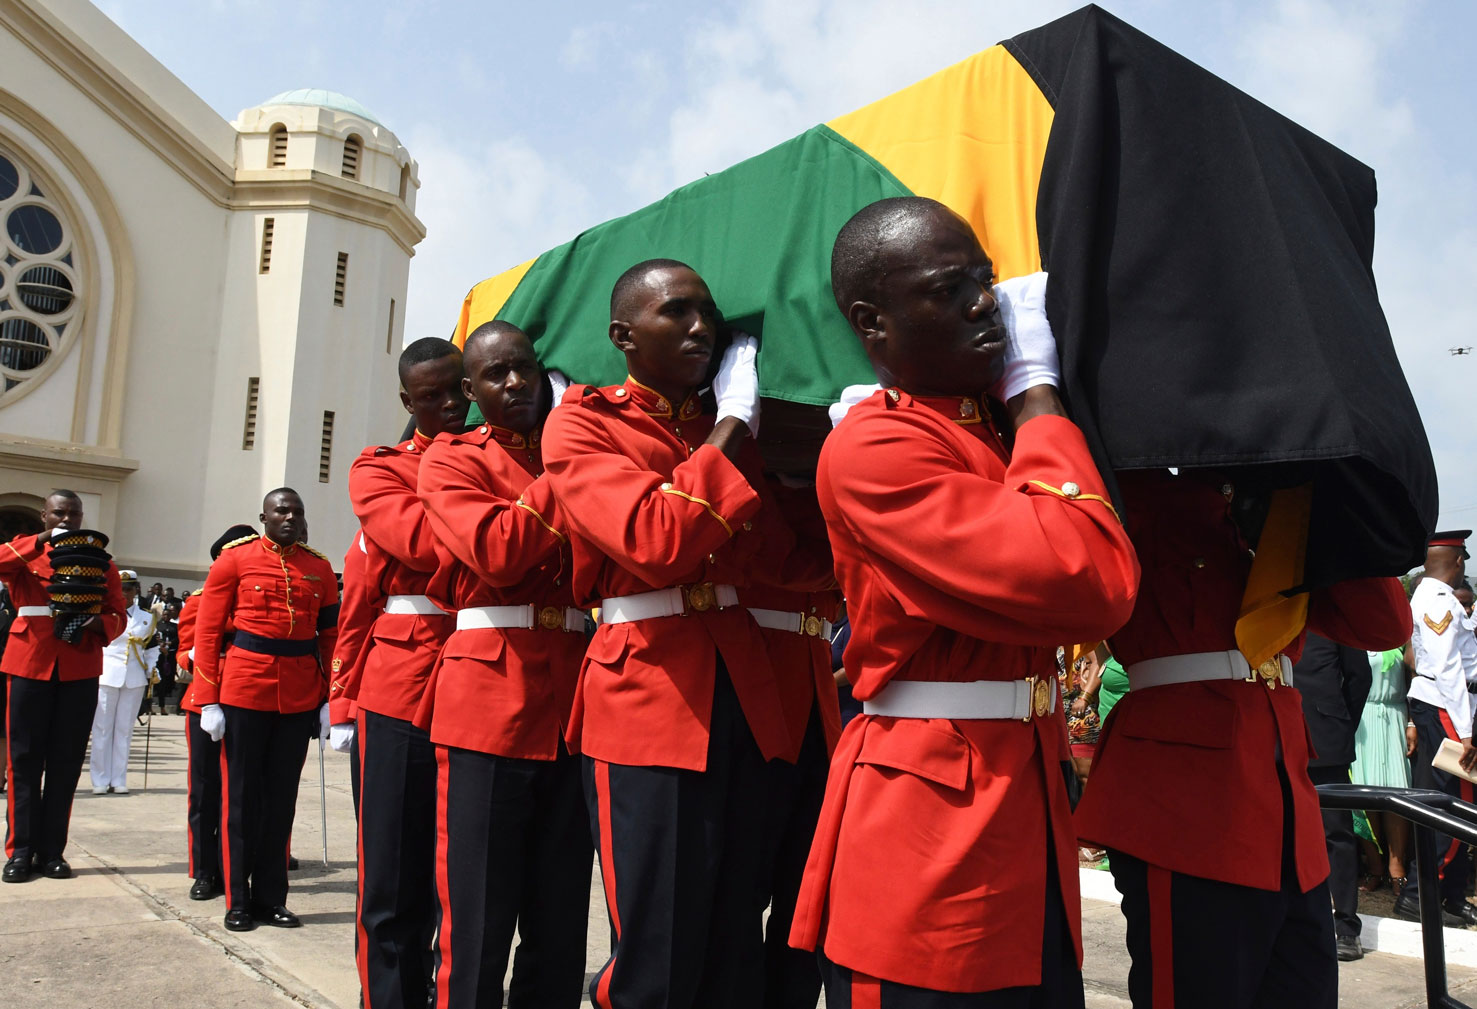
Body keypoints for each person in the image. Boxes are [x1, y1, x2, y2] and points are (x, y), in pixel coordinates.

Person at [788, 198, 1140, 1008]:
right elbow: (1090, 580)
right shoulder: (875, 446)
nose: (985, 301)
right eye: (949, 289)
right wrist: (1038, 398)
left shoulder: (990, 435)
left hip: (1025, 794)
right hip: (932, 825)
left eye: (984, 280)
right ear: (872, 323)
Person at [542, 259, 831, 1008]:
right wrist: (733, 427)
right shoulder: (583, 420)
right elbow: (653, 540)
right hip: (649, 698)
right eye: (676, 311)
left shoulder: (735, 433)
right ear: (623, 336)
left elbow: (792, 563)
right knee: (658, 950)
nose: (701, 326)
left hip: (746, 691)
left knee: (734, 937)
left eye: (708, 311)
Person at [1075, 463, 1411, 1009]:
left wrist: (1330, 493)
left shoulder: (1292, 506)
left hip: (1286, 816)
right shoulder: (1138, 493)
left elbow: (1382, 626)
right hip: (1186, 811)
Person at [417, 321, 592, 1009]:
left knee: (560, 920)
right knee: (479, 917)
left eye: (524, 367)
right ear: (469, 390)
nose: (516, 382)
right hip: (489, 699)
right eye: (496, 373)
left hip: (574, 696)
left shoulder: (572, 450)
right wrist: (568, 461)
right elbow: (498, 551)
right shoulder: (451, 458)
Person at [338, 336, 467, 1009]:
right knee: (392, 877)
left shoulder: (505, 457)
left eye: (457, 389)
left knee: (463, 883)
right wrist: (342, 698)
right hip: (402, 683)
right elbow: (408, 549)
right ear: (405, 401)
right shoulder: (381, 466)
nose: (449, 404)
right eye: (430, 396)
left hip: (487, 683)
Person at [191, 490, 339, 932]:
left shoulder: (320, 568)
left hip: (298, 694)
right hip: (244, 689)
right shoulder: (234, 561)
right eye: (282, 511)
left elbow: (330, 638)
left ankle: (272, 897)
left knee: (282, 801)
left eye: (297, 511)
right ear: (264, 517)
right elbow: (208, 631)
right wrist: (208, 698)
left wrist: (332, 697)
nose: (291, 518)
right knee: (240, 799)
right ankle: (238, 901)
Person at [1, 491, 127, 882]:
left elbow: (118, 614)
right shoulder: (27, 554)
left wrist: (92, 623)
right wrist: (40, 540)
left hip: (78, 666)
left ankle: (53, 851)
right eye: (59, 513)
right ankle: (19, 850)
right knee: (23, 762)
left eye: (73, 513)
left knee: (65, 764)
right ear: (44, 515)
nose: (66, 519)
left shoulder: (100, 562)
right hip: (30, 664)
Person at [1399, 531, 1477, 925]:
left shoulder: (1429, 596)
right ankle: (1420, 895)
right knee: (1453, 807)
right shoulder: (1439, 599)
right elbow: (1448, 670)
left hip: (1444, 704)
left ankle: (1450, 893)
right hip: (1447, 707)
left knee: (1456, 804)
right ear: (1459, 561)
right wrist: (1465, 732)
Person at [178, 523, 256, 901]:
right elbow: (183, 651)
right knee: (205, 790)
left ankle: (239, 865)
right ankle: (204, 869)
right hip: (204, 699)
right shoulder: (199, 598)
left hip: (247, 695)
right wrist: (193, 655)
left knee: (243, 790)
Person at [1294, 632, 1373, 960]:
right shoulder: (1268, 603)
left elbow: (1359, 677)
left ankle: (1345, 926)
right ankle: (1289, 920)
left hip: (1324, 736)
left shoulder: (1332, 610)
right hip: (1269, 736)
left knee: (1335, 834)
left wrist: (1339, 723)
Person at [89, 570, 159, 794]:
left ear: (136, 590)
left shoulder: (147, 617)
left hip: (135, 677)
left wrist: (151, 670)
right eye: (120, 589)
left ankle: (118, 779)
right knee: (102, 728)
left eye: (129, 589)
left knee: (124, 730)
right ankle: (100, 779)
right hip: (107, 674)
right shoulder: (105, 613)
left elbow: (151, 647)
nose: (124, 594)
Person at [1352, 646, 1411, 894]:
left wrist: (1412, 721)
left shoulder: (1401, 635)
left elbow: (1415, 676)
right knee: (1363, 795)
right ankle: (1374, 867)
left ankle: (1397, 869)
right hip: (1363, 718)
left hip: (1396, 715)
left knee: (1398, 793)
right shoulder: (1352, 636)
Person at [153, 598, 181, 714]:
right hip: (158, 656)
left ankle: (163, 704)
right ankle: (151, 706)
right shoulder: (157, 626)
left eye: (168, 615)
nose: (166, 616)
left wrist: (171, 643)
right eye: (164, 614)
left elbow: (179, 638)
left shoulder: (175, 626)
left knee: (166, 679)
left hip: (170, 654)